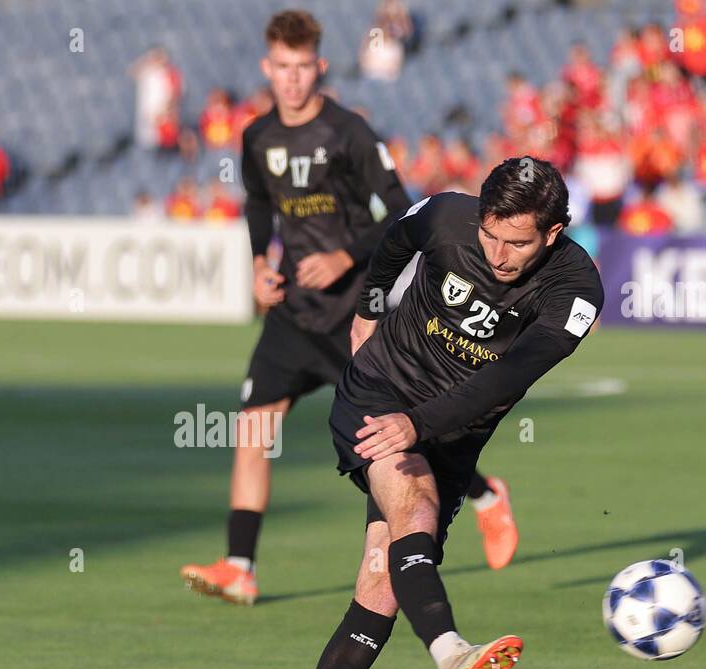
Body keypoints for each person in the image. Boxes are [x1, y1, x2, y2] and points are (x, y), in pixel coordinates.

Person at [266, 158, 604, 669]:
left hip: (444, 431)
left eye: (519, 242)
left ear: (554, 233)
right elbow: (392, 242)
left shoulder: (575, 291)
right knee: (414, 510)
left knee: (380, 588)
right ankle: (451, 654)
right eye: (492, 236)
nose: (501, 255)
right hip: (378, 393)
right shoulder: (448, 216)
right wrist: (367, 310)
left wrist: (419, 425)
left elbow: (504, 379)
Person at [180, 10, 518, 609]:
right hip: (291, 315)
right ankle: (240, 567)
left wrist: (342, 255)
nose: (291, 79)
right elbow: (259, 203)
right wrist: (261, 262)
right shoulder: (257, 136)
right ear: (267, 67)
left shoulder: (350, 133)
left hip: (354, 315)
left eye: (302, 67)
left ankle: (487, 494)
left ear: (321, 66)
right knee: (252, 431)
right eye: (281, 68)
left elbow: (403, 212)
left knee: (390, 442)